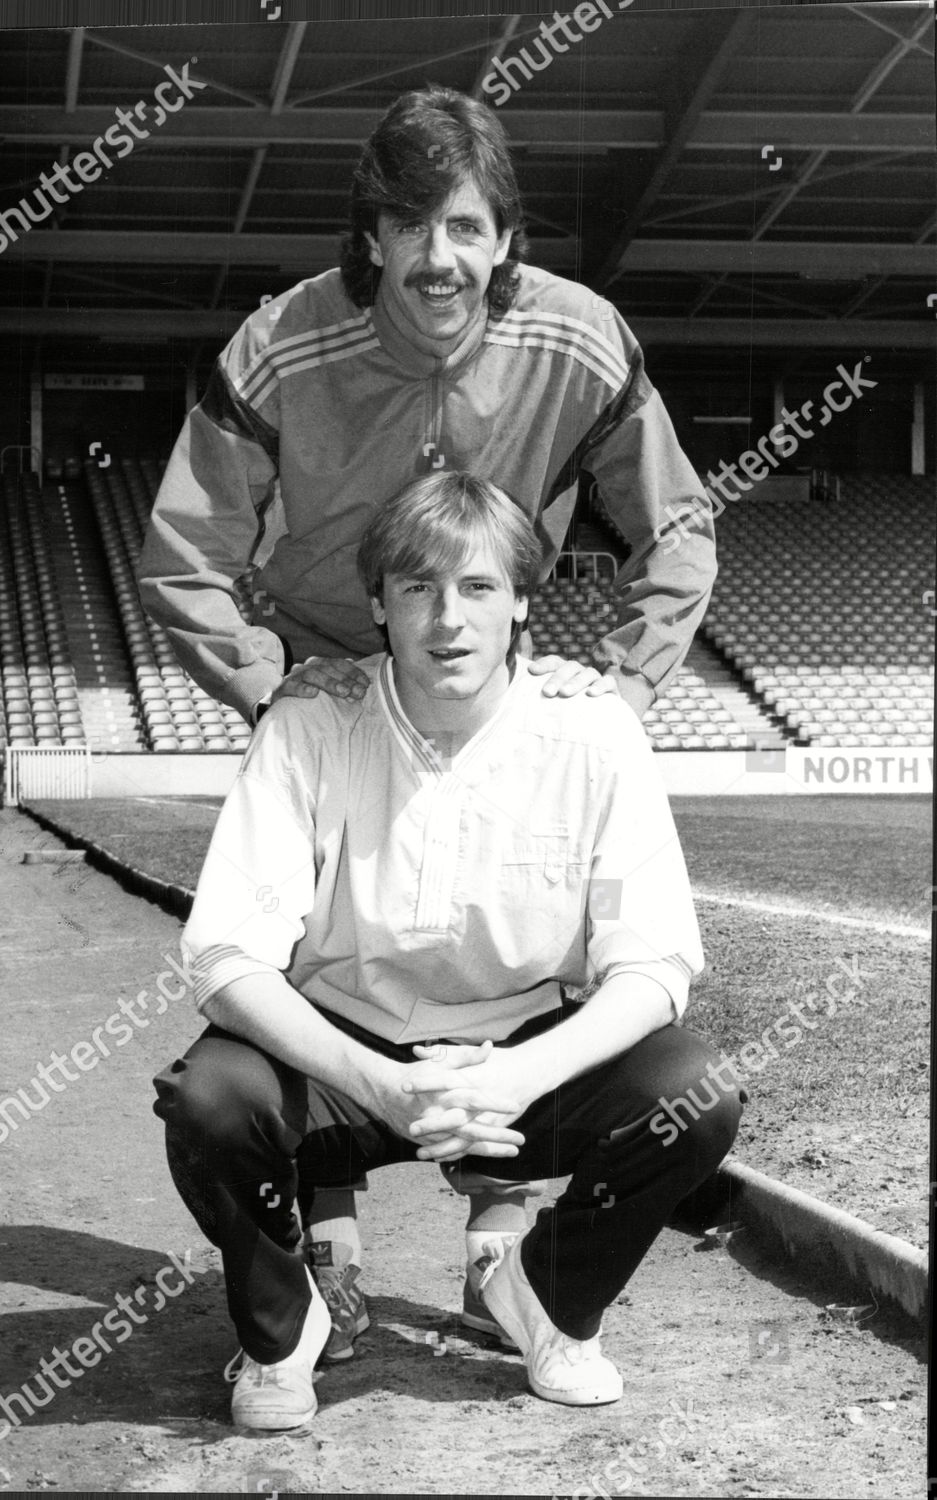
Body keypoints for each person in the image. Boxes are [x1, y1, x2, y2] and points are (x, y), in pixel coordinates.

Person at [137, 83, 717, 1348]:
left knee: (507, 931)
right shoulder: (279, 345)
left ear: (503, 237)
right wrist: (269, 680)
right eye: (411, 227)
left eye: (464, 227)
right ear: (372, 238)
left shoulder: (580, 339)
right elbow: (183, 552)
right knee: (317, 948)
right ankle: (319, 1247)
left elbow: (674, 522)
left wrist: (616, 684)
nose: (438, 258)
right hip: (333, 672)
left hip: (472, 638)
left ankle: (499, 1233)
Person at [151, 473, 740, 1431]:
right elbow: (225, 957)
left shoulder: (594, 733)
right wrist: (377, 1083)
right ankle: (283, 1324)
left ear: (518, 600)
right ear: (378, 603)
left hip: (517, 1059)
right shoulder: (309, 723)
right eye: (418, 588)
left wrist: (518, 1074)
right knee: (210, 1099)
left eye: (475, 588)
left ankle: (547, 1296)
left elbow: (656, 963)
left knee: (693, 1090)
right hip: (344, 1059)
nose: (446, 619)